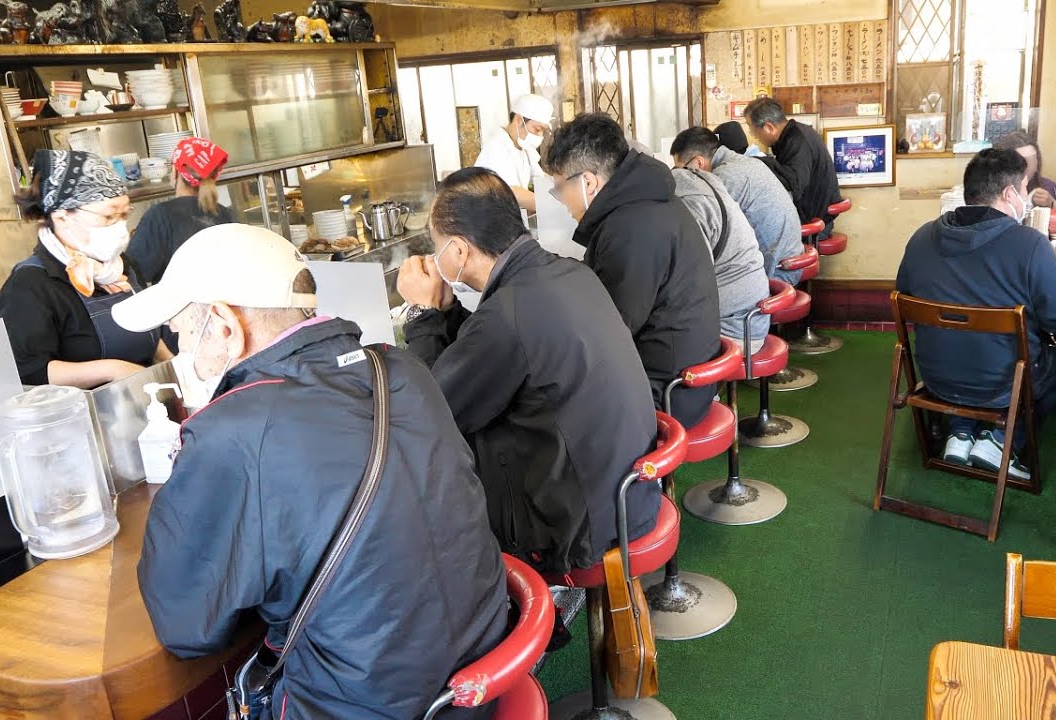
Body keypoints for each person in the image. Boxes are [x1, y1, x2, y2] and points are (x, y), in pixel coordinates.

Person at [113, 224, 507, 719]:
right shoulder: (401, 369)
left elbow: (187, 625)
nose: (184, 351)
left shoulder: (233, 431)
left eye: (184, 333)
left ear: (225, 324)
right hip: (481, 681)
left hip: (372, 706)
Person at [396, 167, 660, 574]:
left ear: (459, 250)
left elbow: (433, 411)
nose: (435, 258)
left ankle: (499, 609)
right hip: (628, 492)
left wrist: (421, 314)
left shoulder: (508, 312)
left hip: (580, 527)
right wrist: (447, 312)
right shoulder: (565, 272)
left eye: (436, 247)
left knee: (431, 477)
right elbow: (489, 348)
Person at [896, 148, 1056, 480]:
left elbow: (905, 293)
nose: (1026, 197)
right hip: (1001, 385)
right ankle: (999, 441)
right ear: (1010, 193)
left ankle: (961, 432)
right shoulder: (1029, 244)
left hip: (935, 378)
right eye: (1025, 189)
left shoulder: (922, 236)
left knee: (971, 349)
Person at [545, 113, 720, 429]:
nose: (560, 200)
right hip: (682, 369)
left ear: (588, 181)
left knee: (543, 407)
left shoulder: (631, 228)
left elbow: (613, 331)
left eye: (559, 187)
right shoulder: (644, 200)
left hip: (669, 389)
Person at [0, 149, 171, 388]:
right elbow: (28, 372)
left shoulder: (122, 266)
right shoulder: (30, 286)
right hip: (87, 415)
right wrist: (112, 369)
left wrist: (173, 369)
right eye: (109, 216)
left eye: (123, 214)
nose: (120, 227)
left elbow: (149, 334)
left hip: (147, 402)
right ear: (62, 218)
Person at [671, 126, 803, 286]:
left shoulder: (725, 177)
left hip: (777, 272)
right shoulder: (746, 162)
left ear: (698, 163)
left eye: (681, 170)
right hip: (789, 258)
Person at [670, 163, 771, 353]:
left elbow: (693, 286)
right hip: (753, 316)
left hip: (737, 330)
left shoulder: (689, 202)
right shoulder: (713, 184)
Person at [127, 137, 236, 285]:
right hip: (222, 305)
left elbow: (133, 276)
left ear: (175, 172)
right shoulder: (226, 214)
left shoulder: (160, 216)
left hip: (179, 306)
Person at [744, 98, 842, 234]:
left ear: (769, 127)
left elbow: (794, 186)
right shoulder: (796, 133)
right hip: (814, 211)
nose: (754, 136)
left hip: (815, 219)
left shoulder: (797, 141)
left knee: (755, 232)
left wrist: (762, 161)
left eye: (753, 130)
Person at [473, 93, 554, 213]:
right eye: (537, 129)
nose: (540, 135)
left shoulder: (524, 148)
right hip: (490, 220)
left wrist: (567, 187)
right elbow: (514, 192)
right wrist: (556, 206)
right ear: (518, 120)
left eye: (543, 131)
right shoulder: (497, 147)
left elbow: (541, 178)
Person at [993, 131, 1056, 211]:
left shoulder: (1048, 186)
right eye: (1023, 160)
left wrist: (1052, 204)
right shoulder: (992, 188)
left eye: (1033, 159)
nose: (1029, 166)